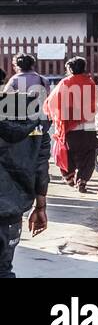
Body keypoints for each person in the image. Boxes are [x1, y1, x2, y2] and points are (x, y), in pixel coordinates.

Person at [0, 92, 50, 278]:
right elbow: (41, 168)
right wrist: (41, 206)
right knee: (4, 270)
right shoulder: (36, 123)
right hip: (12, 211)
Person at [43, 58, 97, 192]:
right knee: (89, 155)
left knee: (68, 153)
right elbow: (95, 102)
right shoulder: (90, 82)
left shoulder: (65, 83)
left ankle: (70, 176)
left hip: (70, 127)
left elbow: (51, 102)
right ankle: (83, 180)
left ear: (70, 69)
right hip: (89, 125)